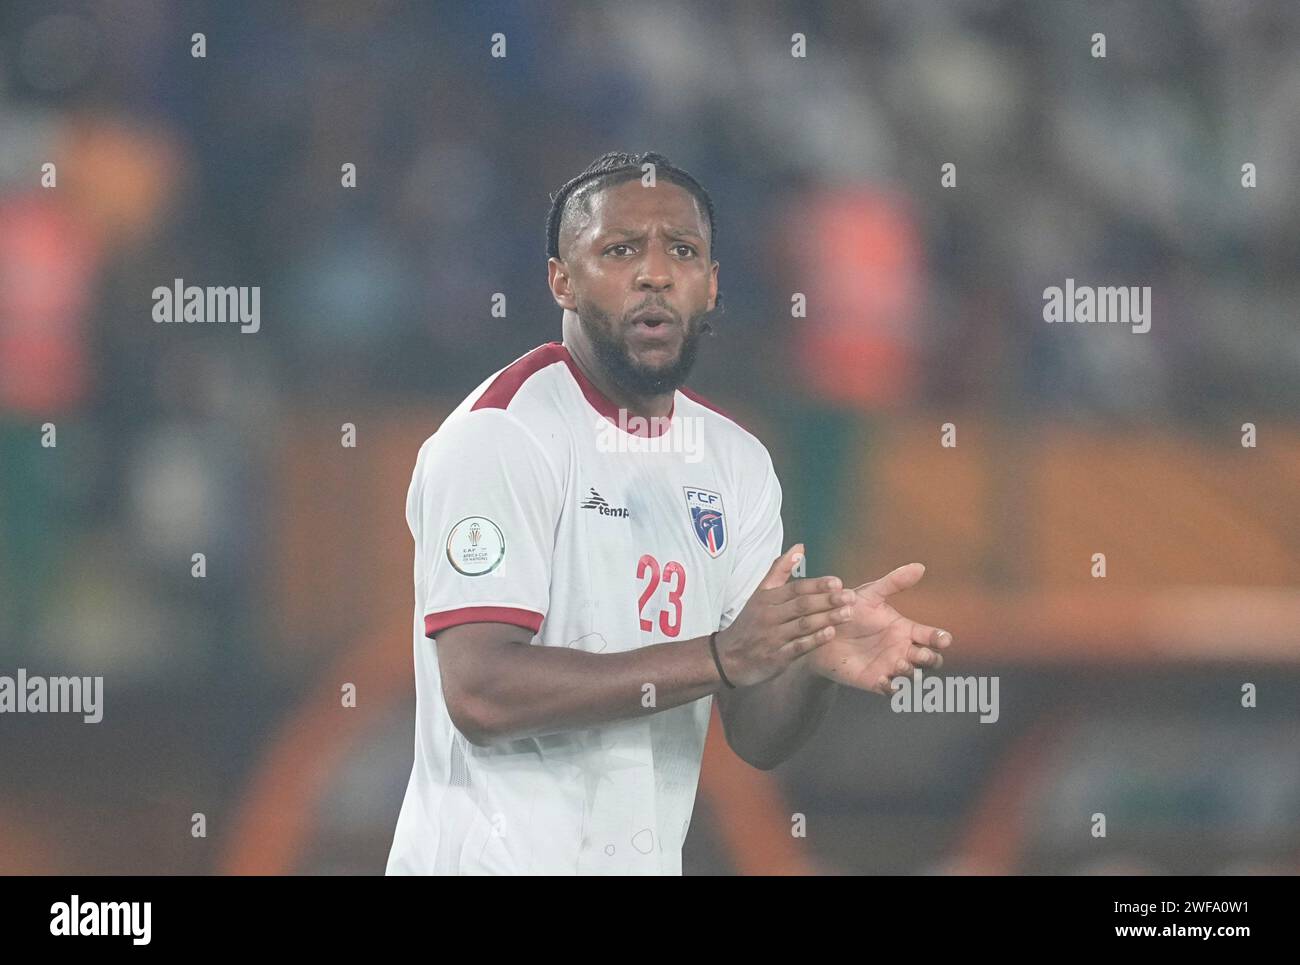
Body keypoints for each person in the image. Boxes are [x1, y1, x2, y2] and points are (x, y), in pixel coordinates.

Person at [386, 151, 952, 875]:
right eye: (620, 250)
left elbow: (755, 730)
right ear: (561, 277)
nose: (655, 273)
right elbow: (480, 690)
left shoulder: (736, 462)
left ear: (711, 285)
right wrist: (719, 656)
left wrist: (807, 661)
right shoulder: (501, 435)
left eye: (682, 251)